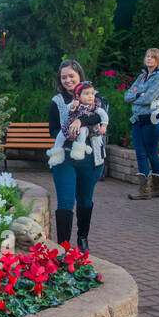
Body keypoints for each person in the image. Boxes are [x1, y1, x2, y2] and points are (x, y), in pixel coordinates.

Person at [48, 62, 108, 252]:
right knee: (65, 201)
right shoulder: (57, 101)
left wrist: (81, 120)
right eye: (64, 77)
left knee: (85, 200)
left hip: (90, 157)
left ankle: (82, 239)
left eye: (71, 76)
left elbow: (99, 117)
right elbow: (53, 130)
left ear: (79, 76)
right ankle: (63, 248)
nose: (68, 80)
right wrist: (68, 133)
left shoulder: (93, 96)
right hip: (64, 157)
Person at [124, 48, 159, 200]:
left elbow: (149, 98)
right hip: (138, 117)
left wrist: (136, 98)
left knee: (150, 152)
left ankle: (157, 188)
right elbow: (127, 95)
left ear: (158, 60)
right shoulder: (142, 76)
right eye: (148, 56)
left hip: (154, 117)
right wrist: (138, 94)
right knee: (140, 152)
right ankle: (145, 189)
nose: (149, 59)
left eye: (153, 57)